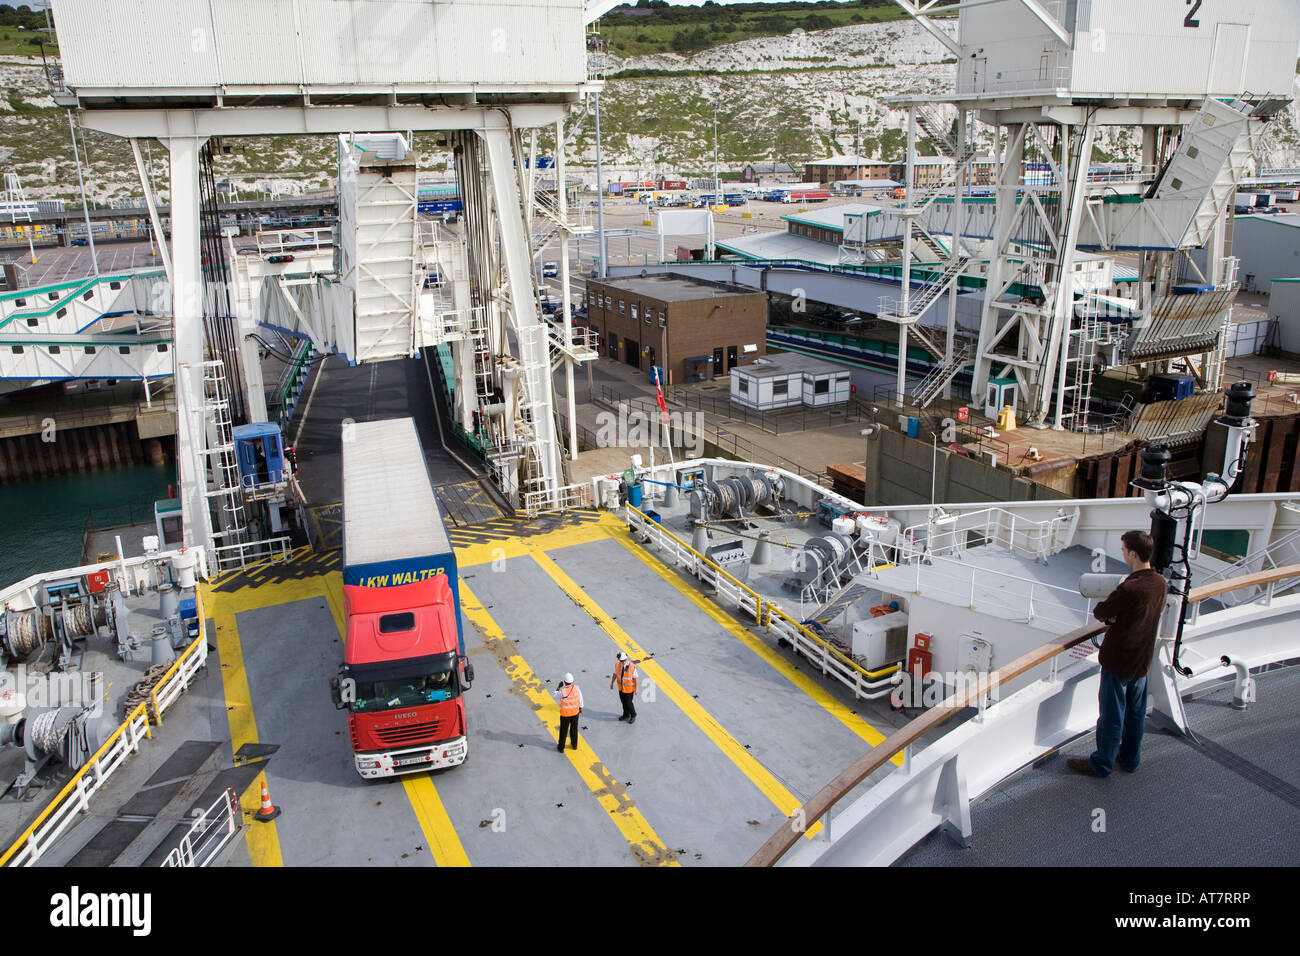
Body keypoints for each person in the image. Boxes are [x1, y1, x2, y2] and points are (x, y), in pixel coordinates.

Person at [1068, 529, 1168, 778]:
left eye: (1124, 550)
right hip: (1142, 661)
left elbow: (1101, 611)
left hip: (1119, 660)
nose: (1122, 554)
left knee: (1112, 716)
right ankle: (1130, 759)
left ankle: (1102, 763)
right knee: (1135, 714)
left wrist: (1114, 612)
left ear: (1133, 554)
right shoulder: (1159, 583)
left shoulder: (1130, 588)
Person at [555, 673, 583, 752]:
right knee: (574, 729)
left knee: (563, 731)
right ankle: (574, 745)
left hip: (565, 714)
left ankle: (561, 747)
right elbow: (580, 699)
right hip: (575, 713)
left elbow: (555, 696)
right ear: (572, 681)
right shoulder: (577, 688)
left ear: (564, 682)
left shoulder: (562, 691)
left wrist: (558, 687)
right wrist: (580, 707)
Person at [610, 652, 638, 724]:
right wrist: (612, 683)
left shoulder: (632, 667)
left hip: (629, 689)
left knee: (628, 703)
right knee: (623, 702)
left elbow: (635, 679)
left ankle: (633, 715)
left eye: (622, 661)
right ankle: (626, 714)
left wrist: (636, 689)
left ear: (625, 660)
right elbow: (615, 674)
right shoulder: (617, 665)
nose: (621, 662)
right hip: (621, 688)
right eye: (620, 661)